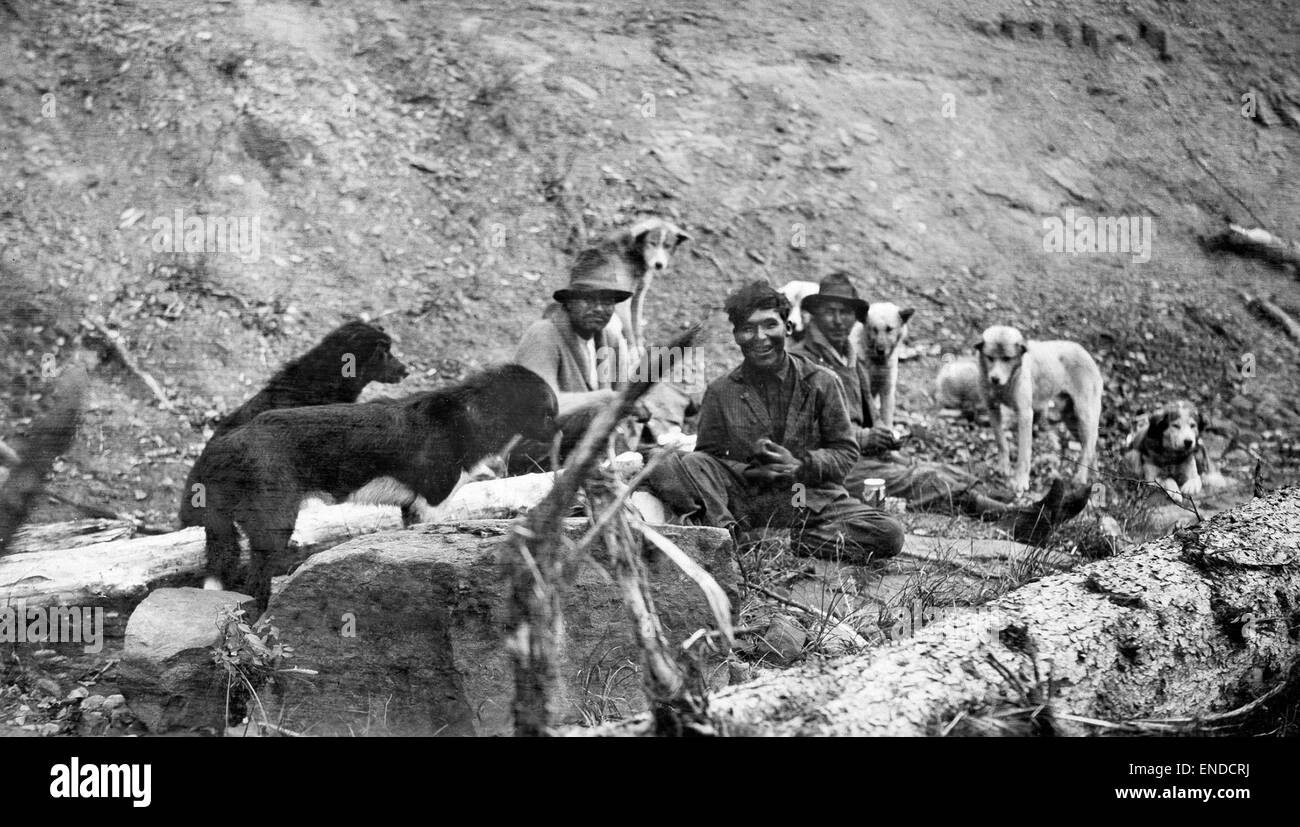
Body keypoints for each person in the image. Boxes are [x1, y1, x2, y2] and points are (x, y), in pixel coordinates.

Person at [788, 271, 1089, 544]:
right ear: (813, 315)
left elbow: (871, 414)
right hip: (834, 470)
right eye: (830, 312)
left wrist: (883, 435)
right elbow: (804, 436)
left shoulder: (849, 355)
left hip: (861, 456)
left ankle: (1036, 507)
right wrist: (865, 439)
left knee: (943, 469)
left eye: (845, 313)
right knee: (924, 480)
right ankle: (1019, 520)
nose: (839, 320)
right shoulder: (804, 362)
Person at [645, 281, 904, 565]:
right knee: (675, 462)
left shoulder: (822, 382)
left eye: (770, 325)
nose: (760, 337)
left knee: (888, 533)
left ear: (788, 328)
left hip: (807, 496)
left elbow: (845, 451)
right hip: (748, 501)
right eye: (748, 328)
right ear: (736, 336)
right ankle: (726, 533)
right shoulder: (721, 391)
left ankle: (782, 540)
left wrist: (800, 464)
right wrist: (754, 470)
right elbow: (708, 460)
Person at [511, 247, 639, 471]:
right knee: (598, 412)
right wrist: (605, 398)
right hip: (533, 448)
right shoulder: (544, 334)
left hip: (583, 448)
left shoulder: (610, 340)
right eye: (589, 300)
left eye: (607, 301)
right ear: (569, 302)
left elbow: (622, 399)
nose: (599, 308)